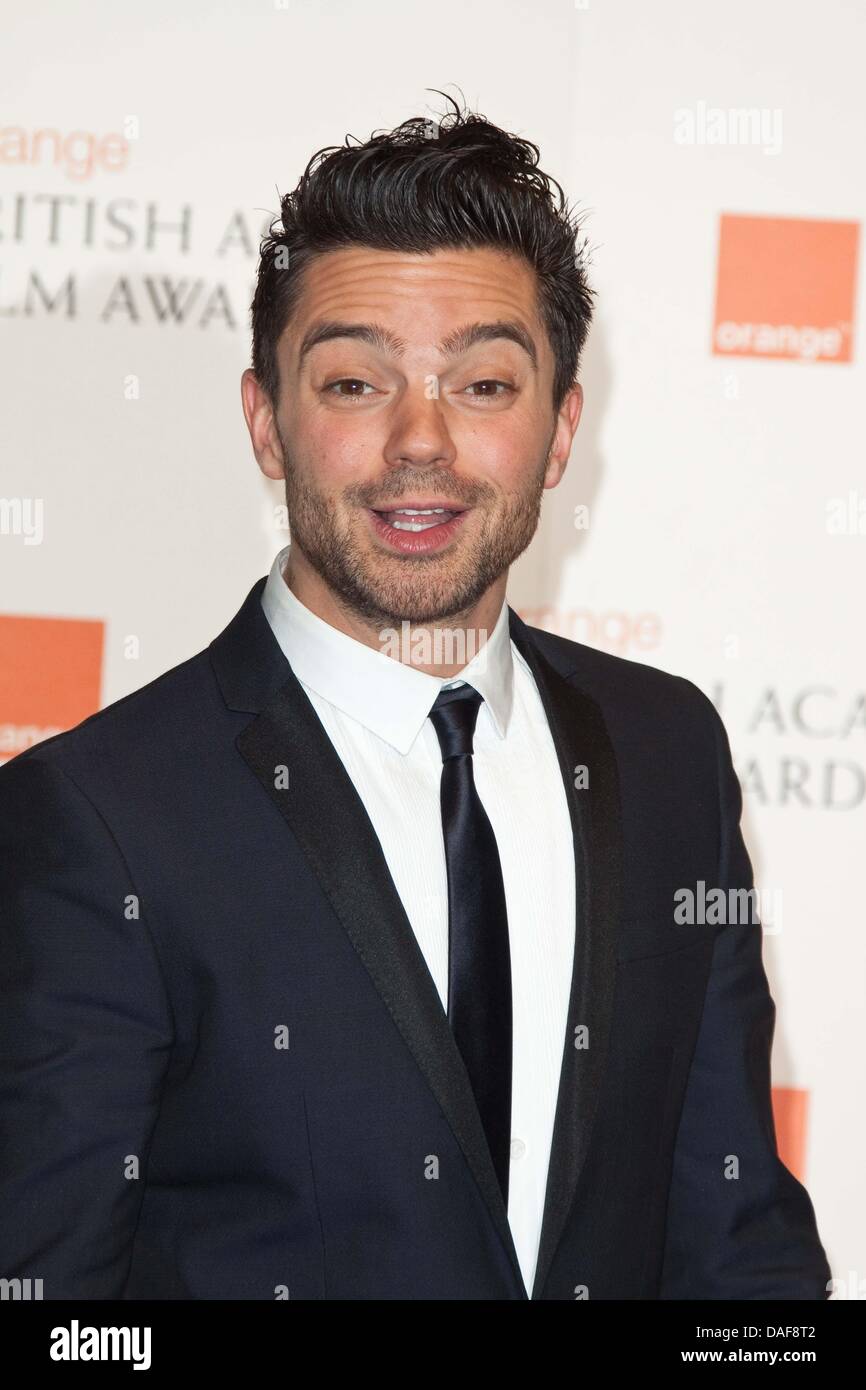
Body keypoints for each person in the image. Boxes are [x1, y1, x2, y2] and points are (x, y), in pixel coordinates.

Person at [0, 94, 831, 1300]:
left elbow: (734, 1239)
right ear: (266, 422)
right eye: (352, 383)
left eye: (484, 384)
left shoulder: (665, 753)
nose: (420, 440)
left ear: (559, 432)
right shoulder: (99, 815)